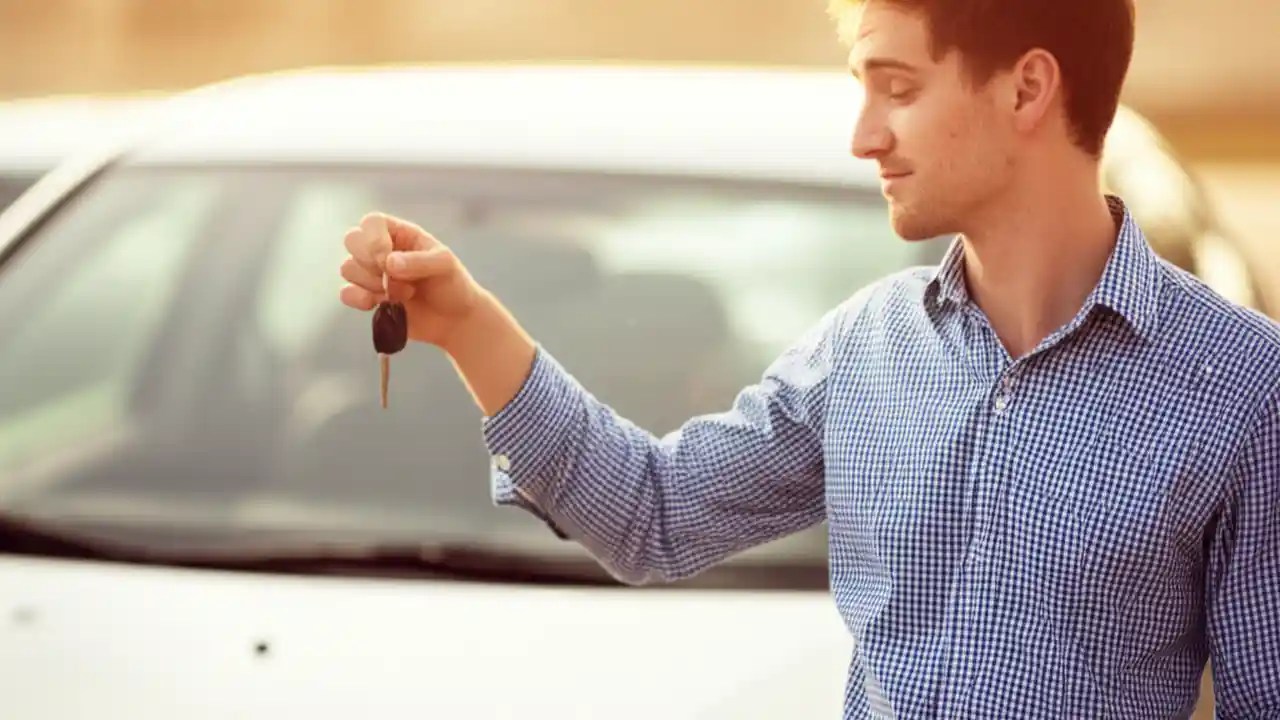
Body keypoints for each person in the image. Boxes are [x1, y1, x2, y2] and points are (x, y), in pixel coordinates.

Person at [337, 0, 1280, 717]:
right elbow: (653, 514)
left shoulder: (1242, 387)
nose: (863, 135)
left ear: (1028, 89)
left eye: (898, 88)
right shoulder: (867, 350)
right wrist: (465, 321)